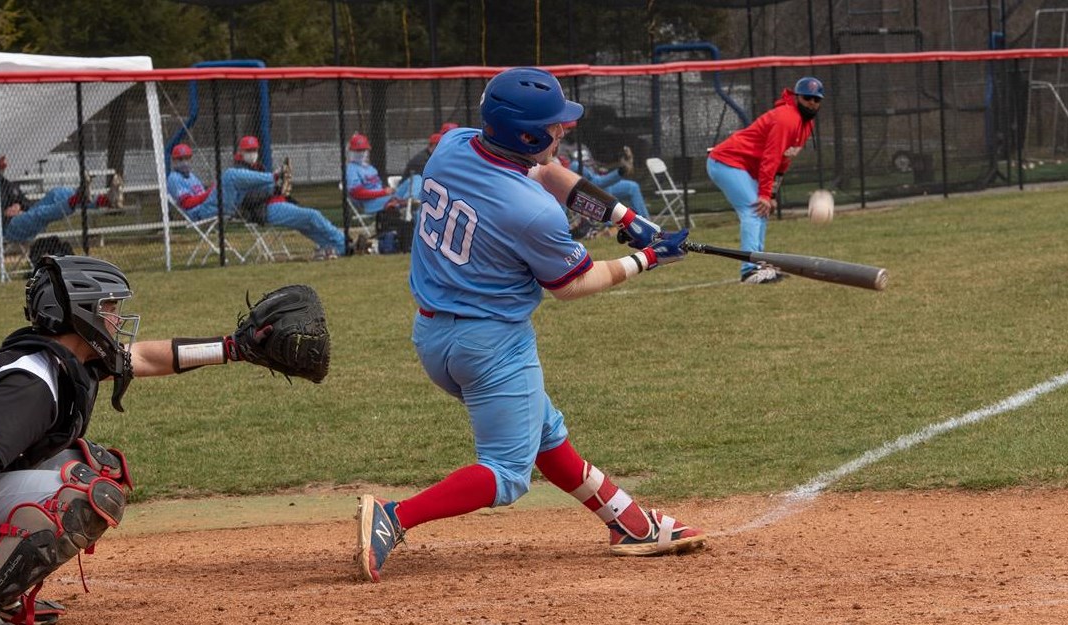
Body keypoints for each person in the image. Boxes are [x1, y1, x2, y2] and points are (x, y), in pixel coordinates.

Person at [353, 66, 706, 584]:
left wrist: (624, 218)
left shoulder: (453, 146)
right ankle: (395, 517)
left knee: (545, 434)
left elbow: (546, 172)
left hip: (435, 337)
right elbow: (573, 284)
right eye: (552, 126)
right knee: (505, 473)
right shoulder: (533, 212)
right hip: (492, 344)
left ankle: (630, 524)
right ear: (526, 136)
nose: (561, 131)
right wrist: (647, 259)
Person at [0, 254, 284, 624]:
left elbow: (143, 358)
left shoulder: (65, 360)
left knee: (88, 466)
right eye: (109, 307)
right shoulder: (31, 387)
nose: (117, 318)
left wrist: (232, 348)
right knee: (81, 496)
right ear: (81, 313)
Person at [707, 76, 824, 284]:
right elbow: (771, 158)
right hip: (726, 162)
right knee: (754, 209)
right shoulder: (787, 119)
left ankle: (759, 265)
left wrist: (771, 195)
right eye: (807, 98)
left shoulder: (807, 124)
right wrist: (763, 194)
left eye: (816, 99)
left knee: (761, 211)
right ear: (797, 97)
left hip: (743, 166)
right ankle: (750, 270)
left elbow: (783, 161)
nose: (811, 103)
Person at [168, 142, 346, 260]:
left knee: (309, 218)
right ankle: (275, 176)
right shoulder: (174, 178)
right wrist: (214, 191)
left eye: (187, 158)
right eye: (180, 159)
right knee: (229, 175)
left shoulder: (192, 176)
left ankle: (338, 246)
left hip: (231, 204)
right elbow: (188, 203)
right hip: (205, 213)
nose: (184, 162)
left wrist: (276, 191)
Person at [230, 135, 348, 260]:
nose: (252, 153)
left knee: (306, 223)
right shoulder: (239, 172)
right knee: (313, 216)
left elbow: (265, 190)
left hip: (272, 203)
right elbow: (246, 199)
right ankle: (345, 243)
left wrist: (279, 187)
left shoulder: (257, 167)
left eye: (254, 150)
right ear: (241, 151)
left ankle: (336, 248)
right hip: (261, 210)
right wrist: (272, 189)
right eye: (248, 150)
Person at [0, 155, 123, 245]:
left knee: (57, 193)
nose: (5, 163)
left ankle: (106, 200)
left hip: (24, 217)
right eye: (0, 159)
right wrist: (4, 214)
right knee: (39, 212)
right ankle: (78, 198)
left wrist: (19, 207)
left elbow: (26, 202)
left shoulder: (6, 184)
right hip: (5, 228)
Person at [560, 124, 648, 220]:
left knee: (632, 187)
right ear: (562, 130)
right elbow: (570, 171)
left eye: (574, 129)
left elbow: (594, 165)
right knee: (601, 184)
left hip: (600, 182)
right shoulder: (561, 149)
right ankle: (608, 223)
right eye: (569, 129)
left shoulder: (582, 146)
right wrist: (621, 170)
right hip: (586, 189)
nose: (573, 132)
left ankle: (645, 223)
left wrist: (616, 164)